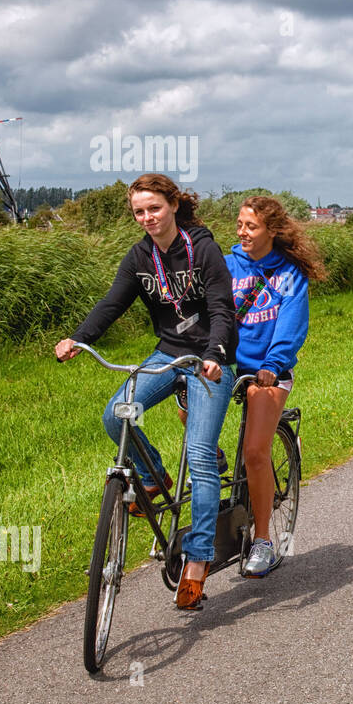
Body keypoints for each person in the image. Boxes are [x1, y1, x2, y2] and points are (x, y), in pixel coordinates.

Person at [55, 173, 236, 611]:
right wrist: (79, 339)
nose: (147, 217)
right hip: (166, 354)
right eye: (139, 211)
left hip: (210, 361)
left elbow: (221, 307)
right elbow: (112, 302)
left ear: (173, 205)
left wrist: (214, 353)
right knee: (115, 414)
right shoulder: (139, 256)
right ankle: (154, 478)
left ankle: (198, 559)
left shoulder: (203, 249)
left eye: (154, 208)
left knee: (199, 454)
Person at [227, 196, 326, 577]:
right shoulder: (227, 264)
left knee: (255, 452)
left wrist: (272, 365)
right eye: (239, 224)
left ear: (271, 231)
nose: (242, 232)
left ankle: (263, 541)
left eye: (250, 226)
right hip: (228, 365)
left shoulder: (289, 273)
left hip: (269, 370)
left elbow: (291, 326)